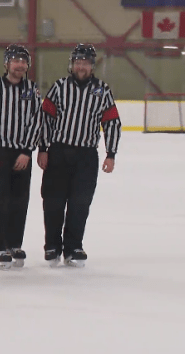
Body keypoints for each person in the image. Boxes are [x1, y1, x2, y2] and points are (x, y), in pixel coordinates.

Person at [37, 43, 122, 268]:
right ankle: (52, 245)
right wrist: (43, 149)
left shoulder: (102, 90)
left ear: (92, 66)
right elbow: (45, 119)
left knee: (80, 203)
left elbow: (112, 123)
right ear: (72, 65)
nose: (81, 67)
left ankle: (73, 246)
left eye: (85, 63)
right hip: (58, 152)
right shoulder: (59, 87)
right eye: (78, 63)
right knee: (53, 201)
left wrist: (110, 153)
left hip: (86, 156)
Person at [0, 44, 43, 270]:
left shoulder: (31, 89)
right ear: (7, 63)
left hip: (22, 152)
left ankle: (14, 243)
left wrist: (27, 150)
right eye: (16, 61)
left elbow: (37, 121)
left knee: (19, 200)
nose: (20, 65)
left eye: (24, 61)